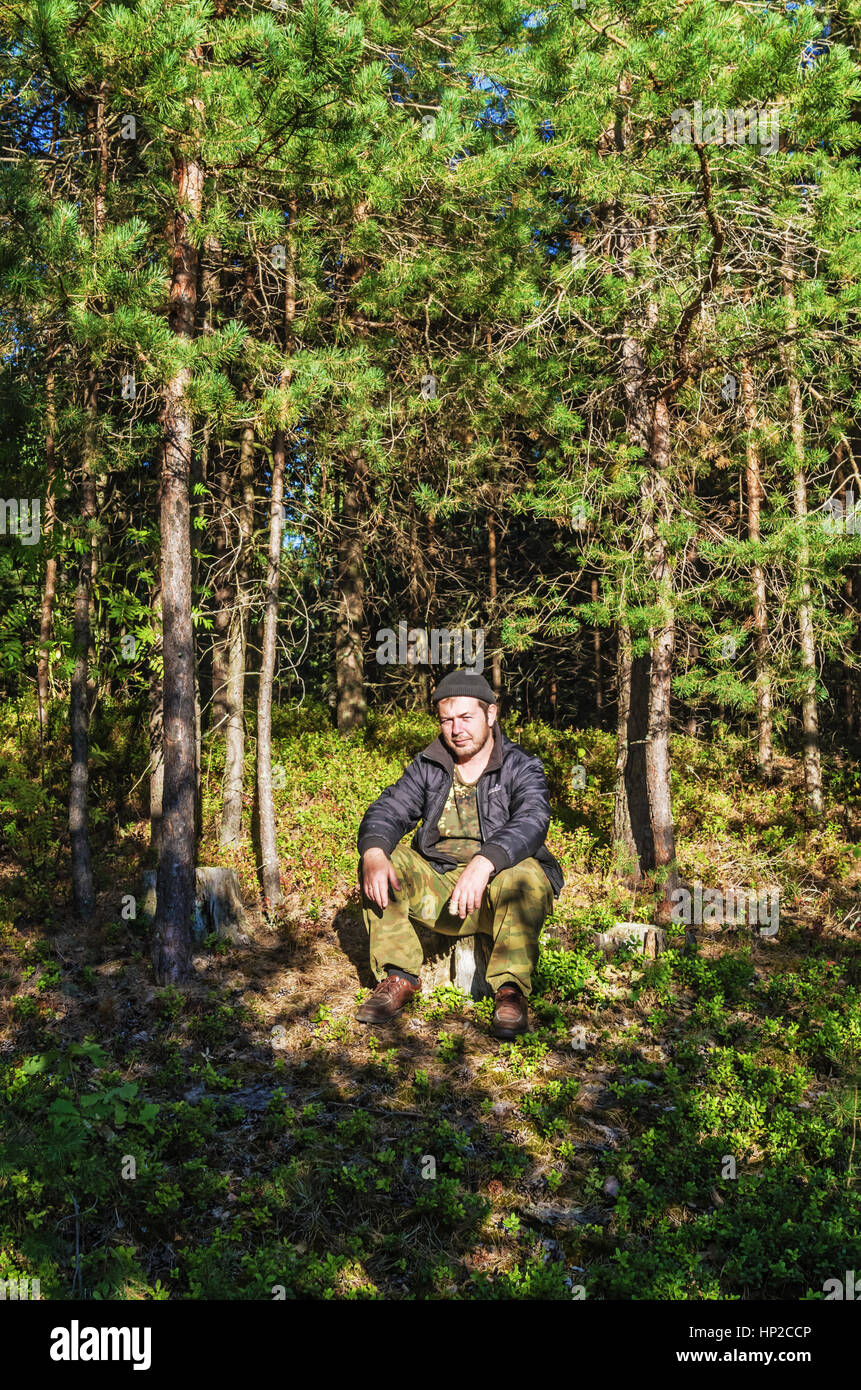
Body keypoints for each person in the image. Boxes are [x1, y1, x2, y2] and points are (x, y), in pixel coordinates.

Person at [355, 668, 563, 1039]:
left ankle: (510, 991)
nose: (456, 729)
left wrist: (485, 861)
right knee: (385, 860)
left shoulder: (520, 765)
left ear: (491, 714)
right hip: (442, 892)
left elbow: (533, 820)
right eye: (447, 720)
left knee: (525, 874)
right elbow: (388, 809)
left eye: (466, 717)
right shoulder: (430, 765)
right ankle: (399, 976)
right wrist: (373, 852)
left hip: (498, 895)